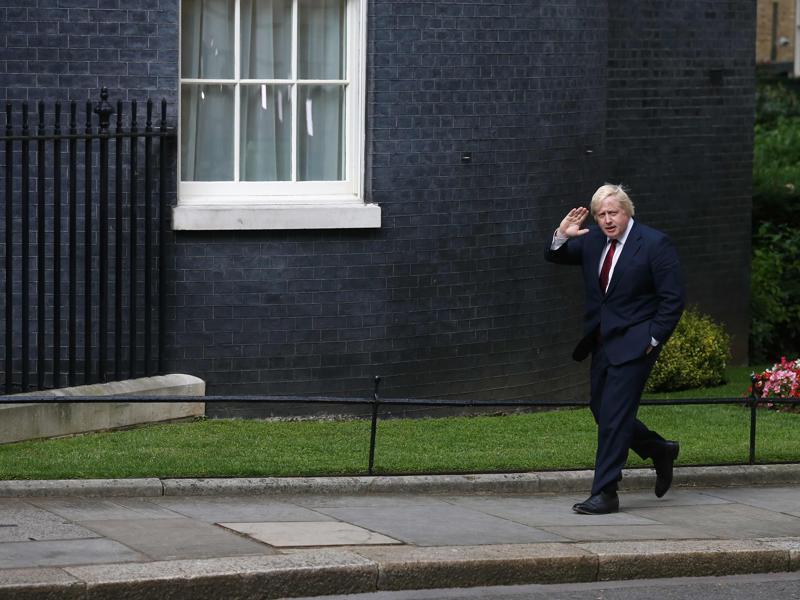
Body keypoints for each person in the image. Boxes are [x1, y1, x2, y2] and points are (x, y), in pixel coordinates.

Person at [544, 184, 685, 514]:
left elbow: (672, 299)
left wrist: (652, 340)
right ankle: (659, 449)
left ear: (628, 211)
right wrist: (562, 235)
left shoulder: (654, 244)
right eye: (601, 215)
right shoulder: (593, 240)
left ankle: (605, 492)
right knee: (601, 409)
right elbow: (556, 255)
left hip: (637, 345)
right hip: (602, 342)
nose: (607, 220)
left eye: (613, 213)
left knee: (615, 416)